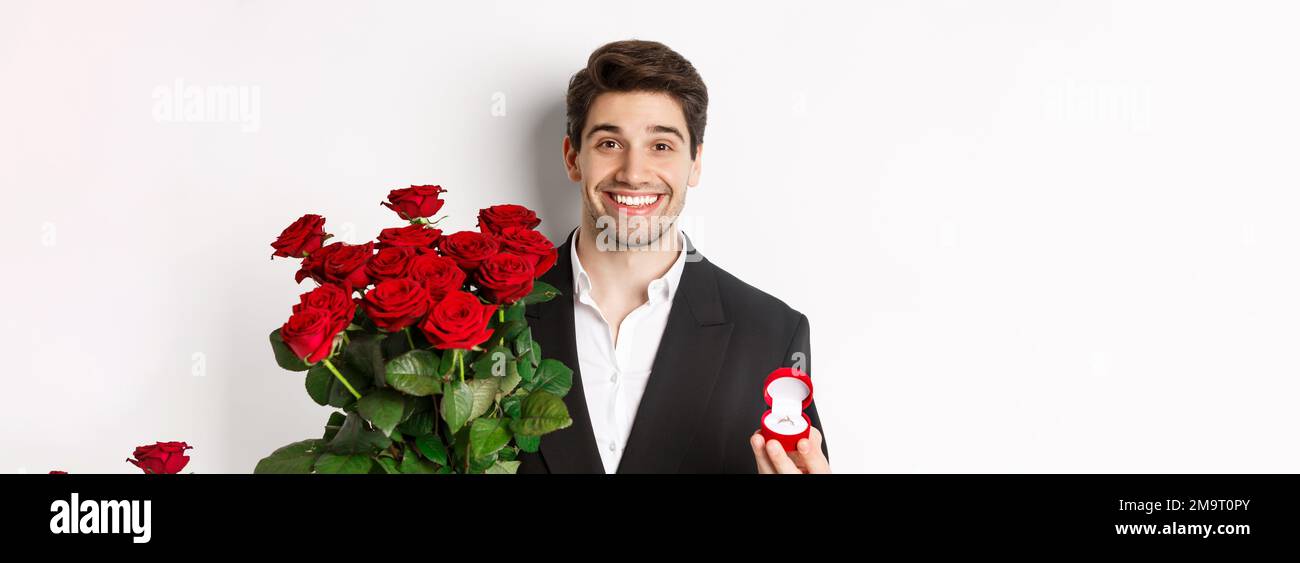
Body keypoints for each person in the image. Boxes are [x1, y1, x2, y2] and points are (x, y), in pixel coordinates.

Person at [517, 39, 830, 474]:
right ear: (573, 158)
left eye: (661, 146)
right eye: (610, 143)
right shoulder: (490, 314)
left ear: (695, 163)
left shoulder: (773, 333)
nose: (633, 173)